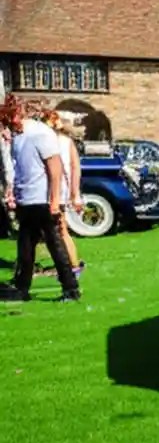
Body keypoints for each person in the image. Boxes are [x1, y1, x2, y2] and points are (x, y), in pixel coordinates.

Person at [0, 95, 80, 303]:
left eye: (9, 121)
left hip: (43, 199)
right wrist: (13, 192)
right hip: (27, 199)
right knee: (25, 246)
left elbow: (55, 167)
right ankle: (22, 287)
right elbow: (19, 168)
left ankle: (71, 288)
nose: (8, 127)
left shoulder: (40, 133)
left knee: (55, 243)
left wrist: (54, 201)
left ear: (17, 115)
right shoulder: (17, 137)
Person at [43, 111, 85, 275]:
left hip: (51, 191)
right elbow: (75, 169)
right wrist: (75, 194)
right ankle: (70, 263)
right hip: (62, 190)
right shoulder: (67, 142)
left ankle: (71, 265)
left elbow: (73, 168)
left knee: (59, 229)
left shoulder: (49, 142)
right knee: (60, 229)